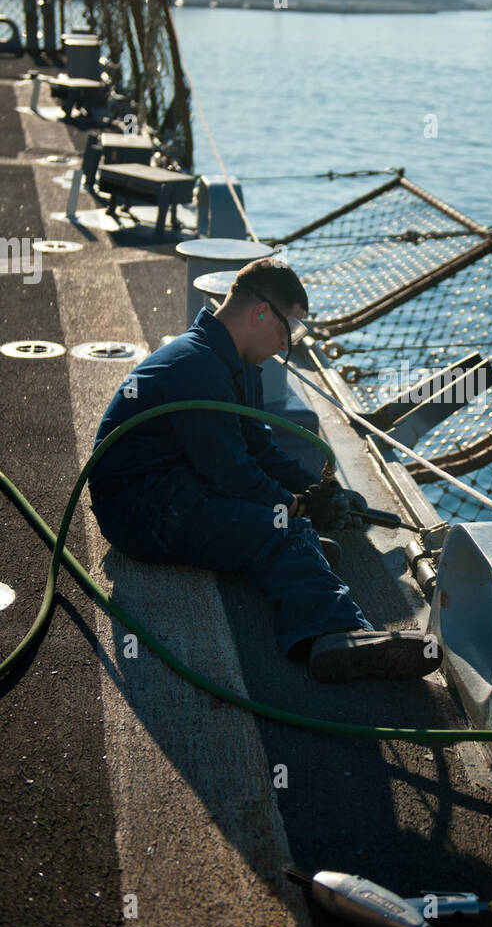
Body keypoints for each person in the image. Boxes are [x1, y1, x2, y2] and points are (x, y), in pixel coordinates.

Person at [88, 256, 438, 683]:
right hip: (139, 509)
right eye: (288, 330)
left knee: (283, 525)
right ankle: (335, 635)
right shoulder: (195, 367)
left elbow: (261, 451)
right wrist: (299, 508)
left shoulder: (236, 363)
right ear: (260, 312)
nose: (284, 346)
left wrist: (317, 490)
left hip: (176, 486)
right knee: (281, 529)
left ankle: (287, 553)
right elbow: (231, 473)